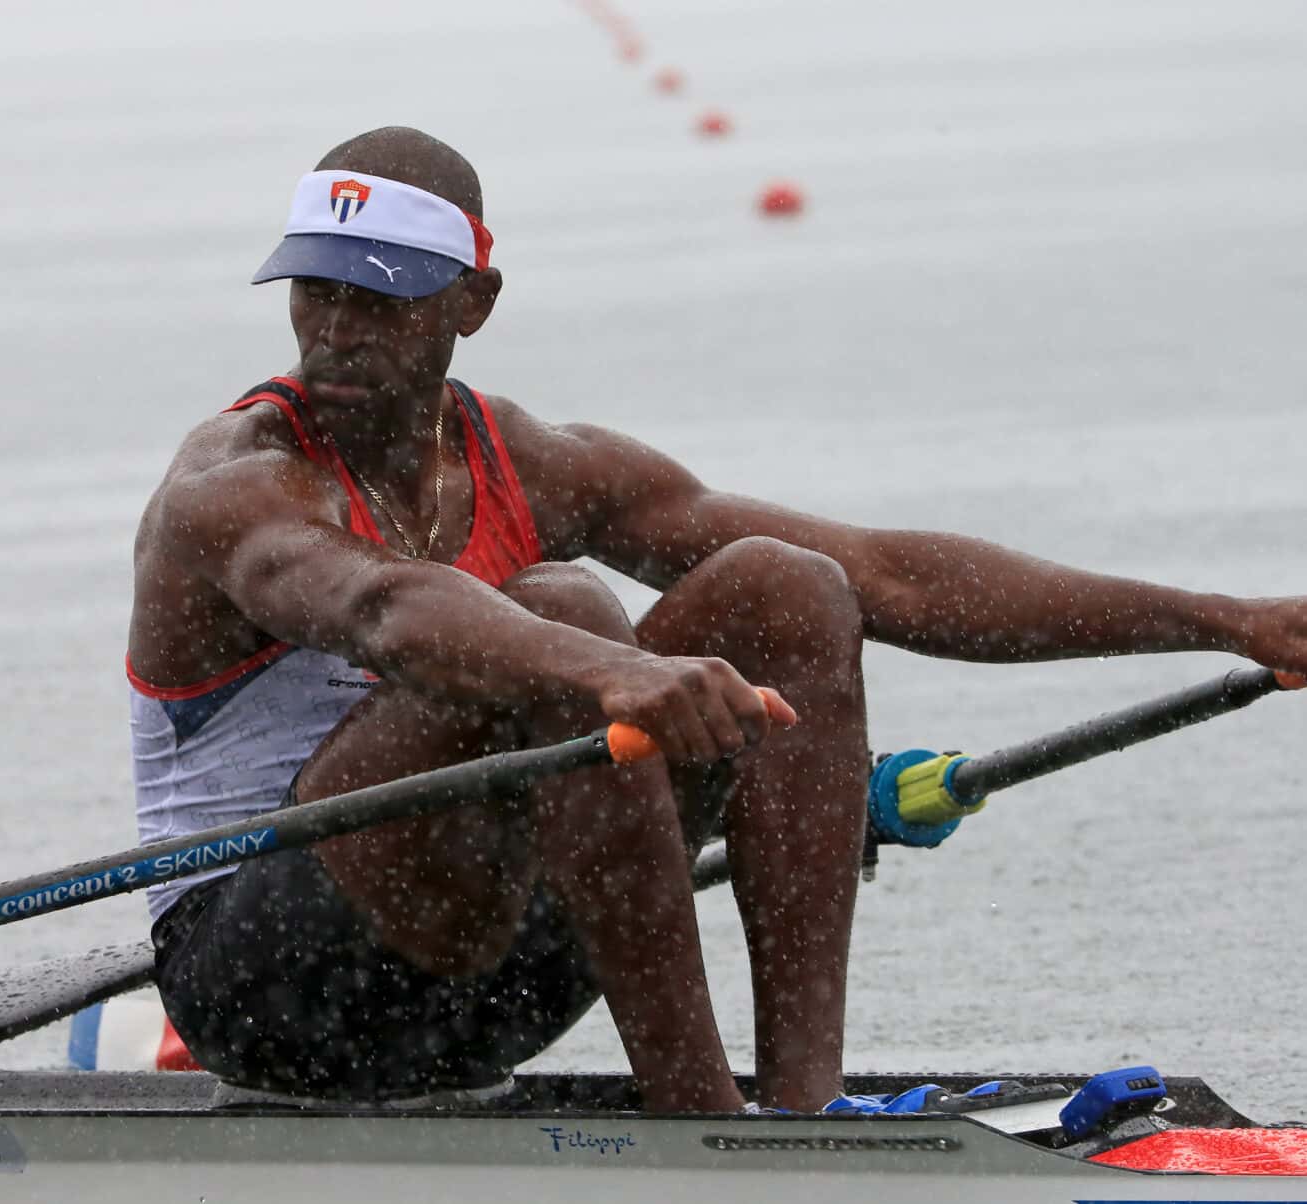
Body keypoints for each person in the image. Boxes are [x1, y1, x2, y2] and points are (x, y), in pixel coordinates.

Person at [124, 126, 1307, 1112]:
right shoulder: (235, 484)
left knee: (790, 586)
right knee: (566, 610)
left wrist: (1233, 620)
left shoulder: (531, 460)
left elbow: (895, 578)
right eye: (316, 292)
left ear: (471, 304)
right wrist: (605, 666)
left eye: (379, 299)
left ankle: (799, 1110)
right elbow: (382, 606)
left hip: (495, 981)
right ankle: (703, 1121)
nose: (335, 329)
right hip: (271, 985)